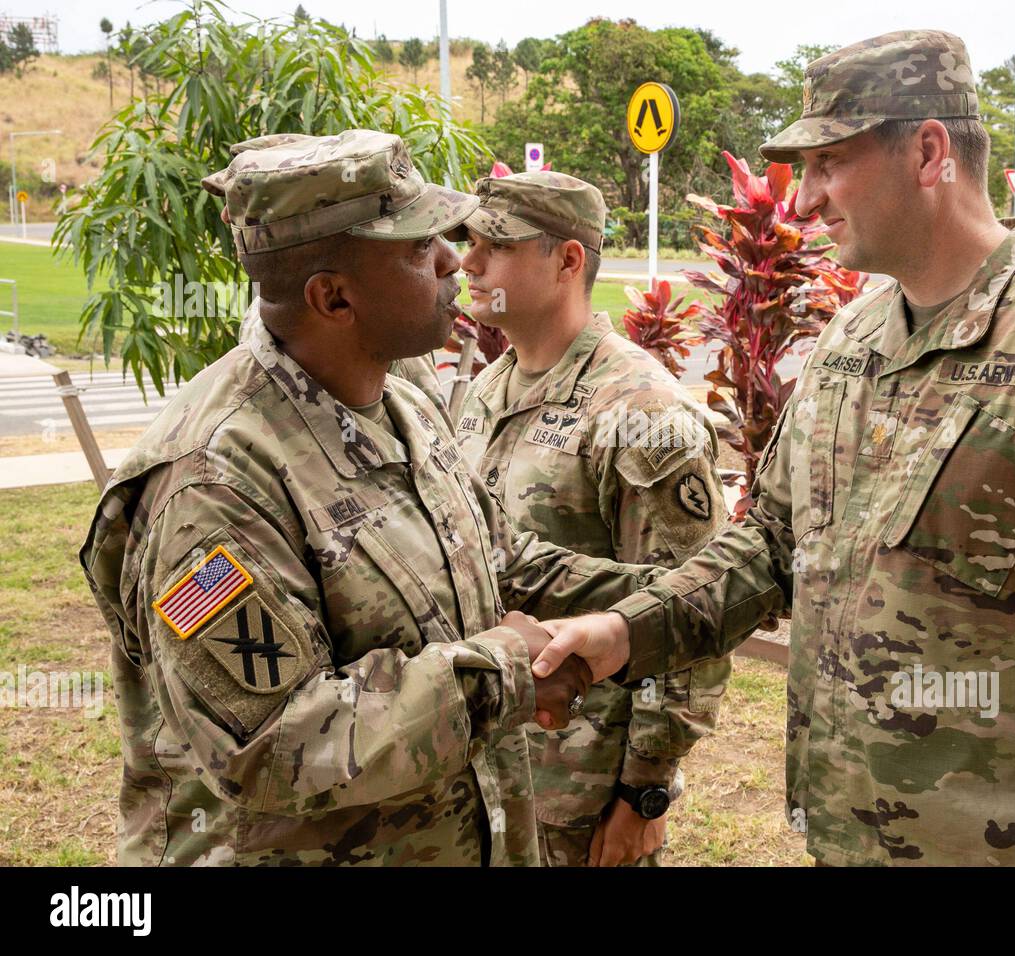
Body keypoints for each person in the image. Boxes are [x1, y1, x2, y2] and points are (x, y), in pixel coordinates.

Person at [533, 30, 1015, 867]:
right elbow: (769, 544)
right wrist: (624, 631)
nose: (803, 202)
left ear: (927, 152)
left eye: (828, 163)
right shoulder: (851, 343)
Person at [80, 130, 663, 866]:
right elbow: (274, 741)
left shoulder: (402, 407)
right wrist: (503, 668)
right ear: (333, 296)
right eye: (420, 251)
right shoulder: (211, 483)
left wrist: (668, 604)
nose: (456, 261)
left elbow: (496, 563)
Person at [452, 171, 733, 866]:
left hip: (581, 797)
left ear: (568, 260)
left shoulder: (640, 410)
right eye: (468, 242)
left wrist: (645, 792)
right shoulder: (486, 391)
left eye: (496, 245)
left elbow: (695, 608)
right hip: (486, 775)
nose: (469, 263)